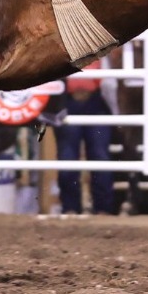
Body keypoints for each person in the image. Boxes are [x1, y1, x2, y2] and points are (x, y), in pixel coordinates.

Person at [53, 69, 115, 216]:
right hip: (66, 99)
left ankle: (102, 208)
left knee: (100, 156)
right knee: (68, 156)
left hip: (97, 99)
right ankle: (70, 207)